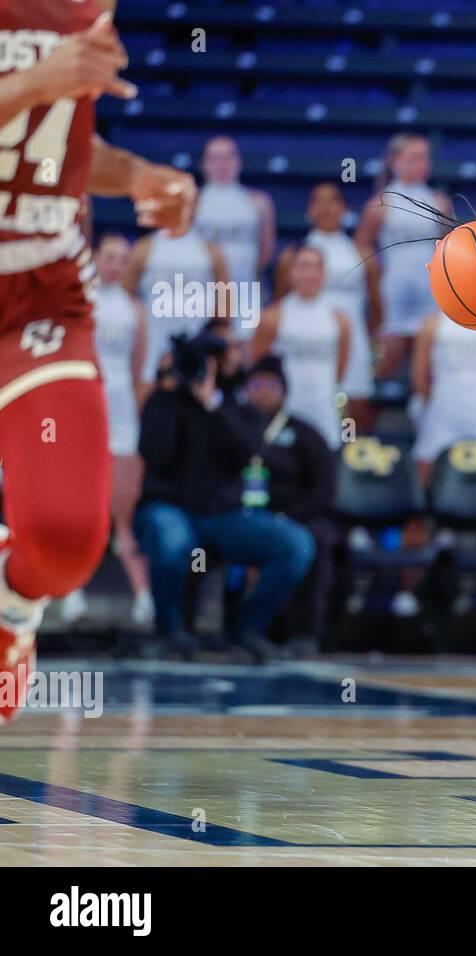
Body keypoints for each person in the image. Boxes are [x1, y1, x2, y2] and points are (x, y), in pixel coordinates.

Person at [0, 3, 197, 722]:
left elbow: (52, 150)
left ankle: (12, 607)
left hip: (39, 286)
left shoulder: (86, 11)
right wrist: (32, 82)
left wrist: (141, 176)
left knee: (64, 544)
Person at [134, 330, 316, 661]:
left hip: (225, 516)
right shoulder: (164, 400)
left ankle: (244, 630)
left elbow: (248, 452)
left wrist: (212, 405)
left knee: (296, 544)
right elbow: (154, 452)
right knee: (172, 537)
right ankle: (170, 632)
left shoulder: (237, 405)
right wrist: (171, 392)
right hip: (169, 507)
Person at [61, 234, 155, 629]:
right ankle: (70, 594)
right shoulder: (76, 300)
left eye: (124, 259)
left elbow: (139, 374)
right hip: (79, 409)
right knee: (77, 507)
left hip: (120, 416)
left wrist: (129, 412)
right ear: (95, 258)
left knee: (122, 514)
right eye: (111, 257)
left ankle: (144, 601)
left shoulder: (136, 311)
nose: (117, 265)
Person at [244, 355, 339, 655]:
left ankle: (304, 632)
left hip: (296, 515)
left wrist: (289, 516)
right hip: (241, 515)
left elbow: (324, 489)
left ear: (283, 391)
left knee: (316, 540)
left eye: (269, 385)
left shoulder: (305, 434)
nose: (262, 392)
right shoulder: (233, 427)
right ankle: (231, 629)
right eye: (255, 384)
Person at [277, 183, 379, 430]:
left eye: (333, 200)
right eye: (318, 201)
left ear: (344, 208)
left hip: (353, 343)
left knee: (355, 416)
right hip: (307, 347)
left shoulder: (361, 253)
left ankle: (352, 466)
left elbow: (376, 307)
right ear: (309, 209)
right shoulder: (291, 256)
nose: (326, 207)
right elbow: (282, 304)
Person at [355, 133, 452, 378]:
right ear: (395, 161)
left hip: (430, 286)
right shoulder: (381, 202)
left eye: (425, 158)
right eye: (415, 157)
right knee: (389, 355)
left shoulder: (438, 201)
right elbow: (362, 245)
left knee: (430, 357)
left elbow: (451, 245)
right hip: (394, 285)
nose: (422, 164)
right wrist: (377, 275)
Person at [251, 245, 351, 451]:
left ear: (324, 273)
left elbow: (340, 372)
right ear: (291, 272)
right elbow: (258, 369)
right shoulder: (272, 318)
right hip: (284, 415)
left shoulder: (339, 321)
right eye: (303, 266)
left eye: (316, 267)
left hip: (324, 415)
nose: (309, 274)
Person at [409, 310, 476, 488]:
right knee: (425, 464)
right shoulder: (431, 324)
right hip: (445, 406)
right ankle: (420, 514)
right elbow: (420, 377)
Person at [121, 224, 229, 387]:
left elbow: (224, 310)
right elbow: (124, 299)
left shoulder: (211, 251)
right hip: (152, 350)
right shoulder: (144, 249)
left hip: (198, 351)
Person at [192, 135, 276, 338]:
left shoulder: (258, 202)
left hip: (245, 290)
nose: (223, 164)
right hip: (200, 292)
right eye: (215, 158)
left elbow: (265, 250)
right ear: (204, 164)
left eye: (228, 157)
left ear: (238, 162)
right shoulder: (192, 202)